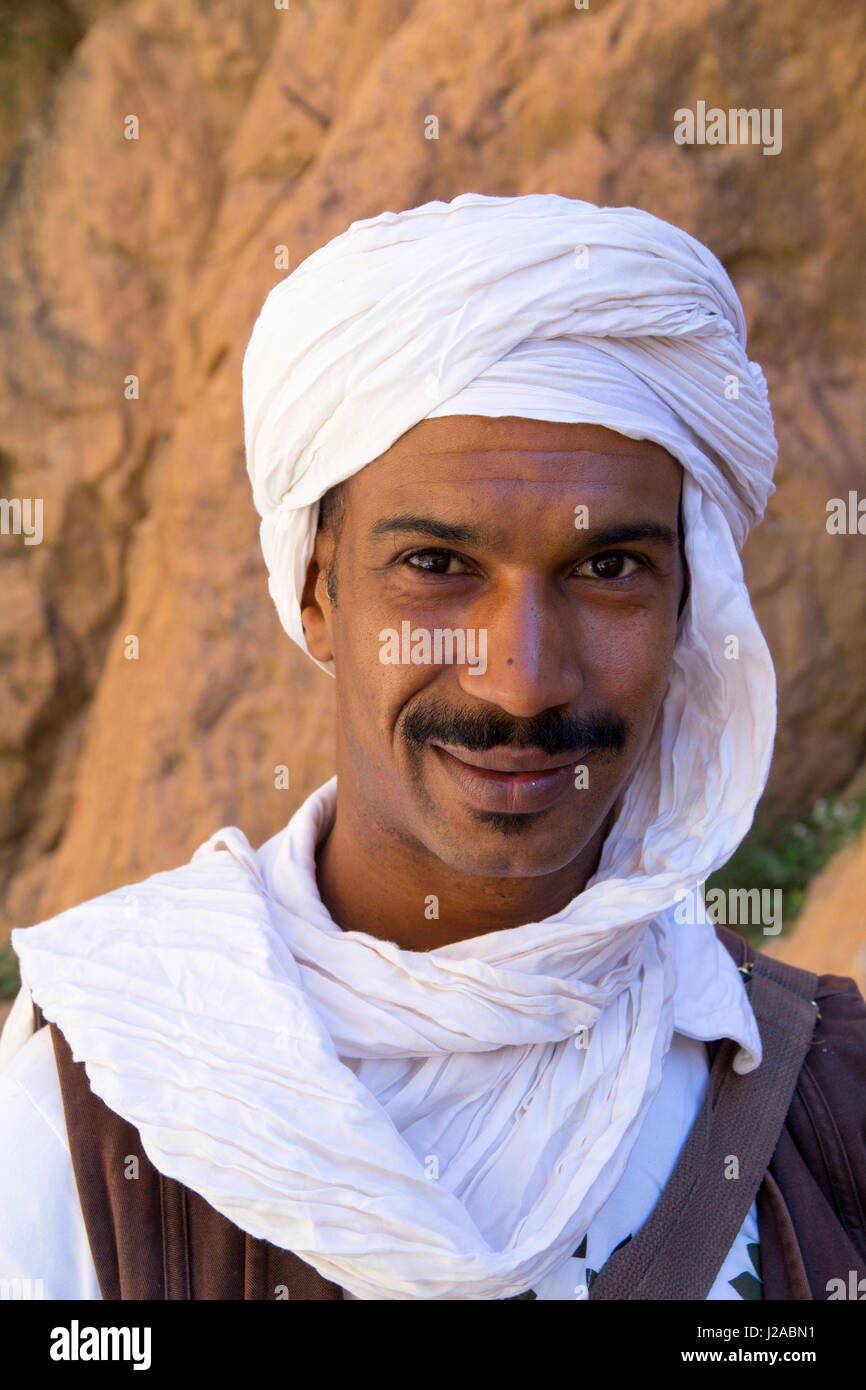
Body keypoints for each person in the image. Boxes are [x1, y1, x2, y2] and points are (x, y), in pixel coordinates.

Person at [0, 192, 863, 1301]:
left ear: (689, 604)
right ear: (316, 594)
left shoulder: (824, 1095)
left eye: (606, 570)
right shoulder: (102, 1099)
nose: (520, 680)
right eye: (437, 566)